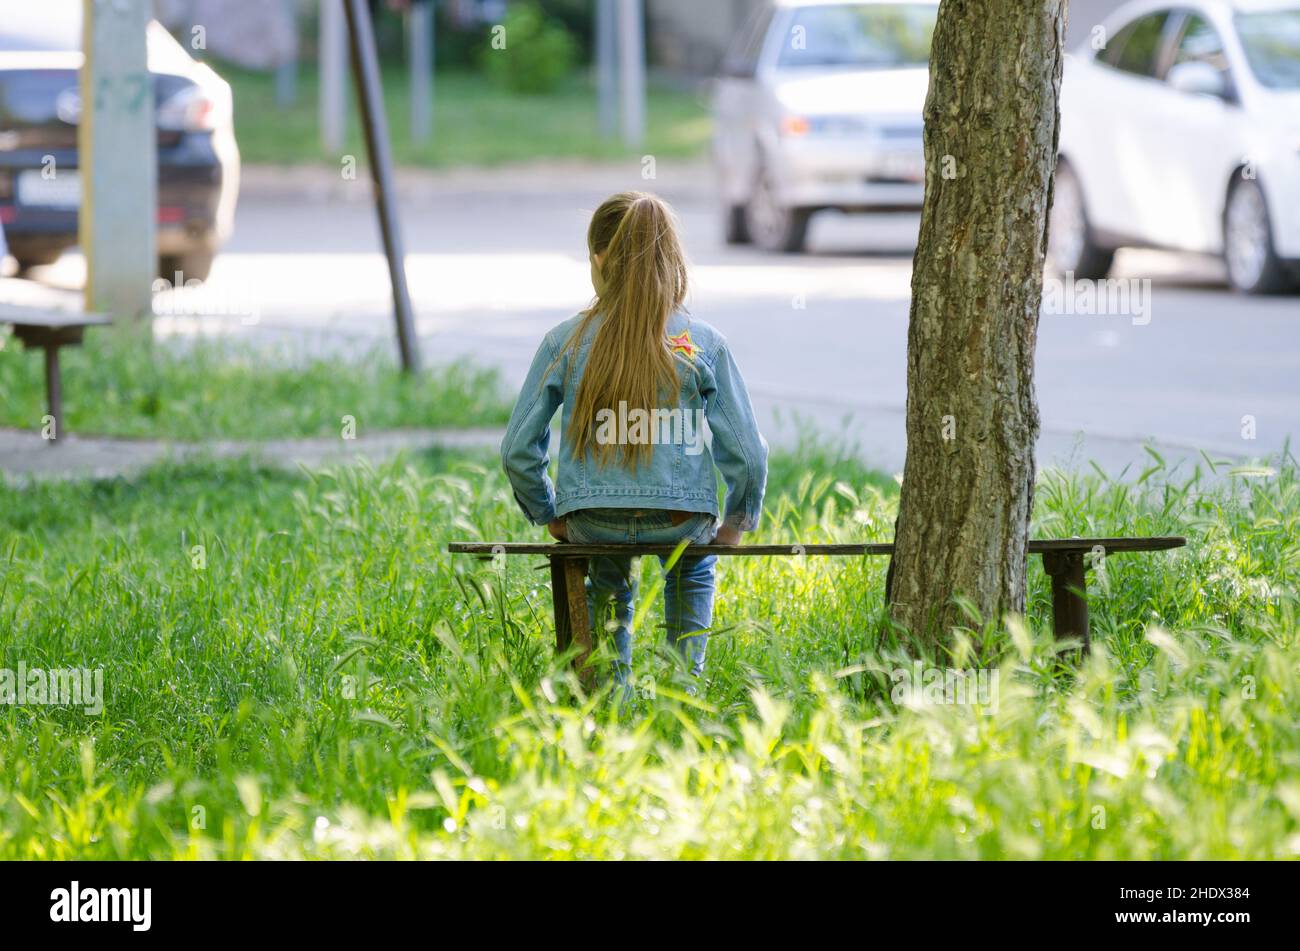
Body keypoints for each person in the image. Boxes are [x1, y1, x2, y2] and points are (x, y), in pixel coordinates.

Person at [500, 191, 768, 686]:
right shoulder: (702, 342)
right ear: (672, 260)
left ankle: (607, 704)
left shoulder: (566, 340)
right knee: (692, 568)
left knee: (608, 575)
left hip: (593, 518)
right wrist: (736, 519)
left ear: (600, 259)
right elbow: (746, 450)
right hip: (680, 518)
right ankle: (684, 694)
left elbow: (518, 448)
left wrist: (550, 513)